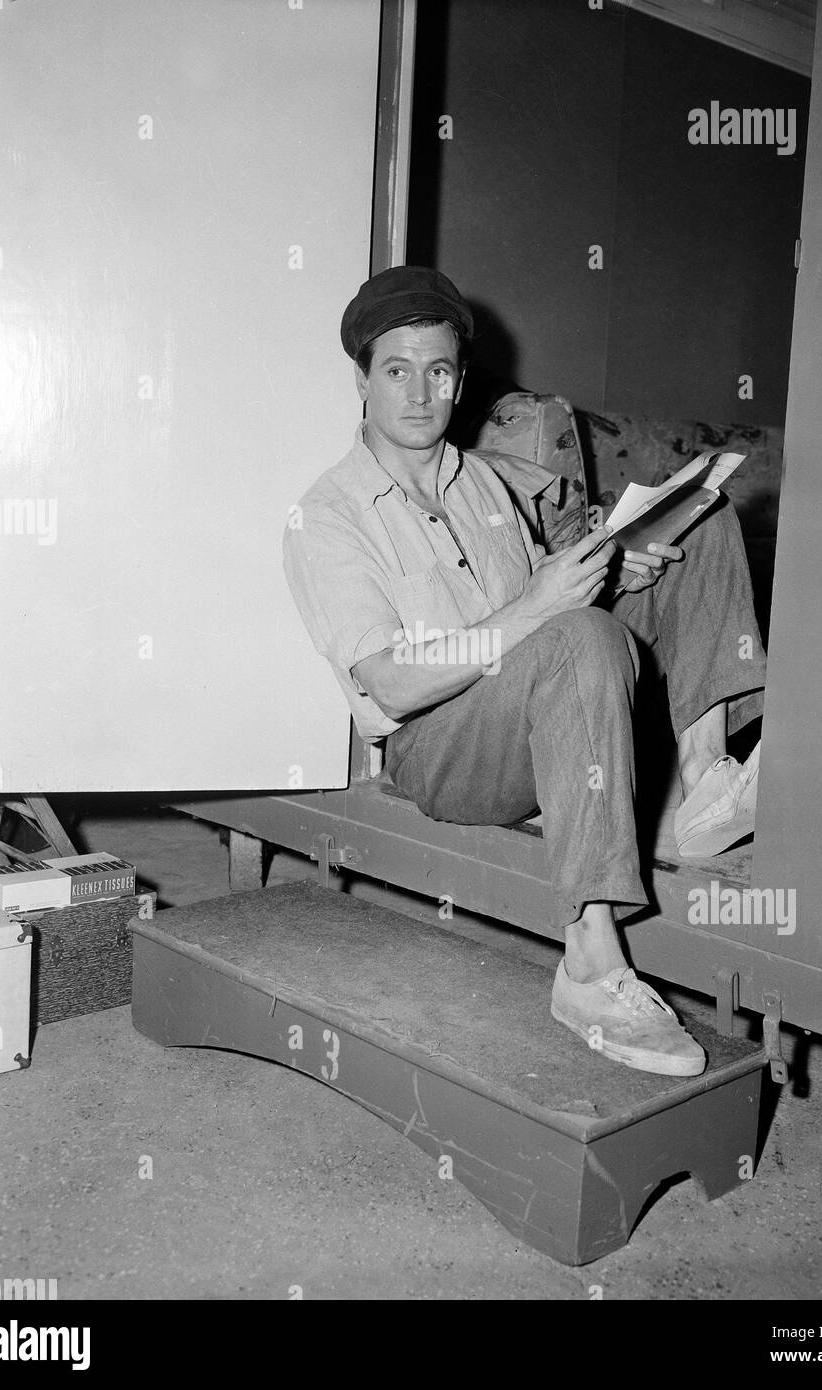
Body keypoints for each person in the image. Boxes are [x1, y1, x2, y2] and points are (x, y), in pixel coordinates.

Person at [283, 266, 765, 1077]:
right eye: (395, 371)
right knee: (575, 638)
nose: (418, 393)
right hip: (442, 747)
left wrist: (617, 577)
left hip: (534, 690)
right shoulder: (328, 516)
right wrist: (545, 610)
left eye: (438, 372)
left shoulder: (485, 482)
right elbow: (392, 684)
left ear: (460, 379)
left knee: (699, 531)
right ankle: (591, 959)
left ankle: (697, 780)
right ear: (362, 379)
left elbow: (545, 609)